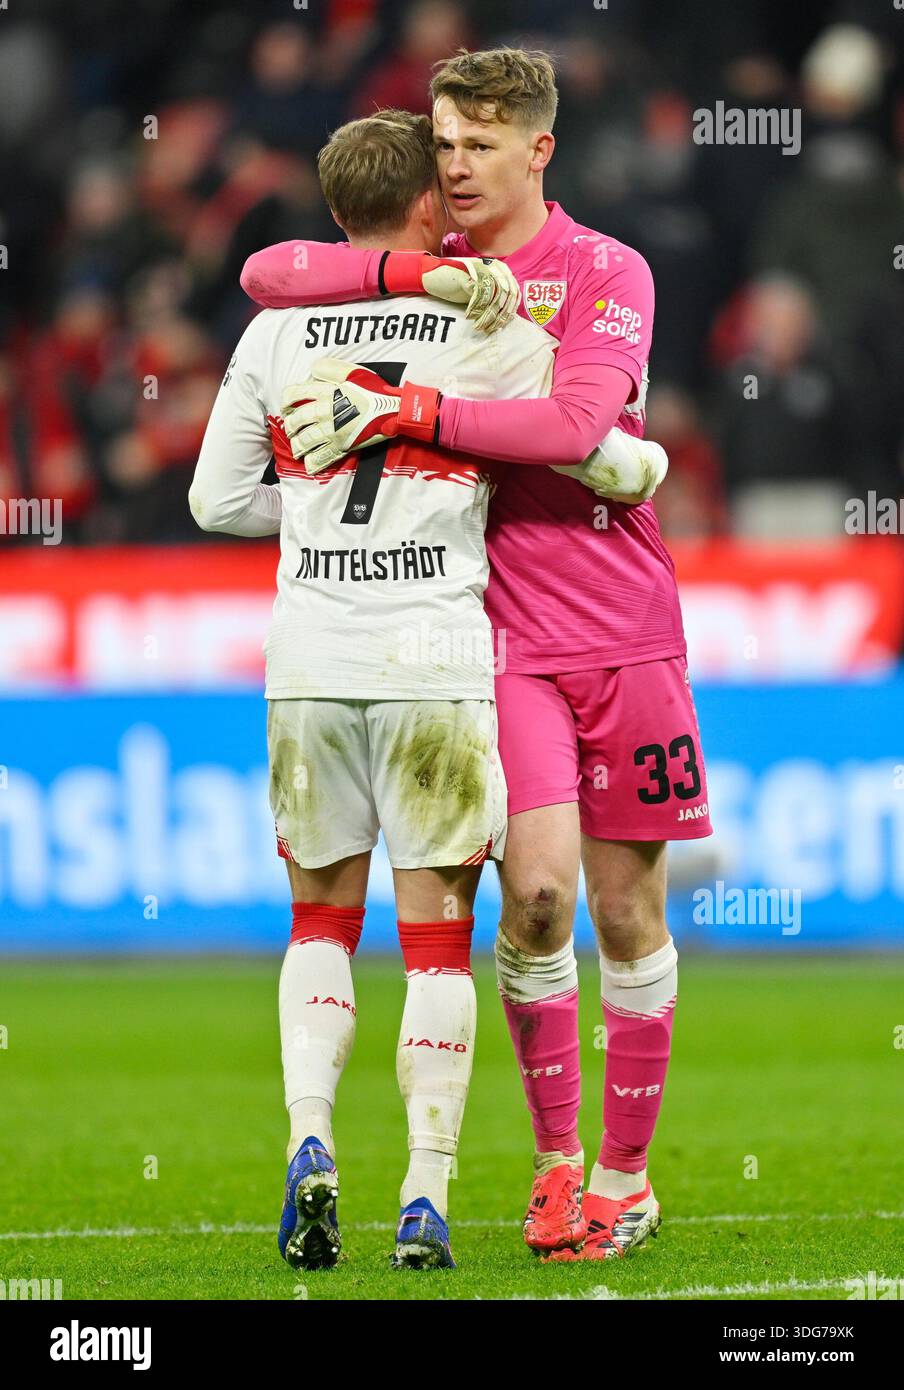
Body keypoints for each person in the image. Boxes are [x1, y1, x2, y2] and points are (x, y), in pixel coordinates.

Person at [240, 47, 712, 1263]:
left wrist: (407, 412)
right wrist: (411, 276)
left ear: (537, 149)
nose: (452, 164)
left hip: (625, 624)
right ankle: (558, 1170)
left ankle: (628, 1174)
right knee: (538, 899)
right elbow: (265, 270)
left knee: (625, 906)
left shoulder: (605, 270)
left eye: (478, 145)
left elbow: (569, 425)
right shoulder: (432, 278)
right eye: (442, 142)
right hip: (497, 635)